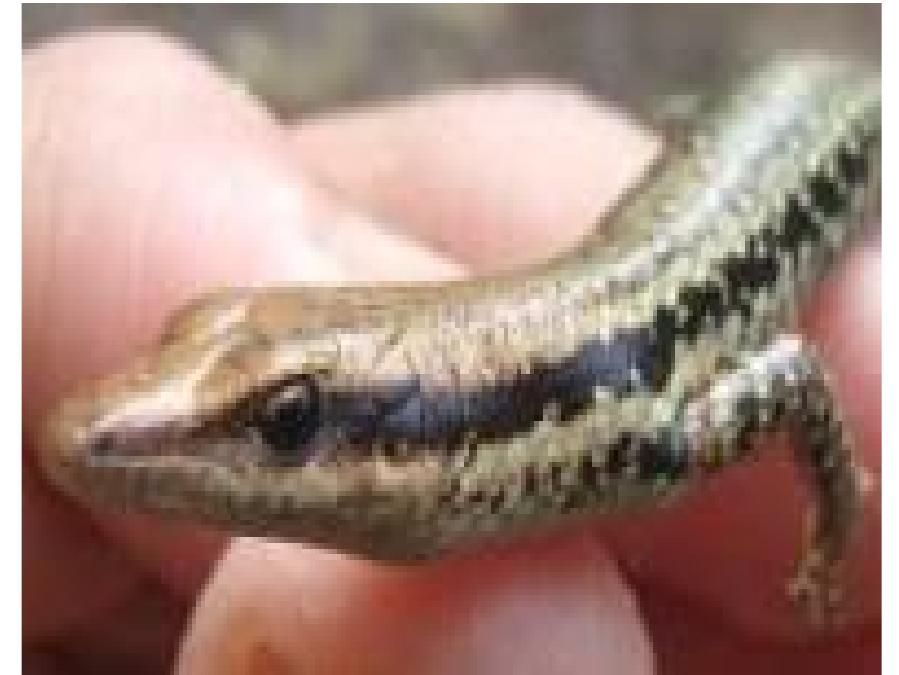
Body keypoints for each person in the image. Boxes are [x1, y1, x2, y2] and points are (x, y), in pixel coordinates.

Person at [23, 31, 880, 674]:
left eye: (287, 425)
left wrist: (834, 517)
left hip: (847, 130)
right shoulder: (628, 431)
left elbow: (794, 376)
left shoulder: (649, 437)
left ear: (426, 439)